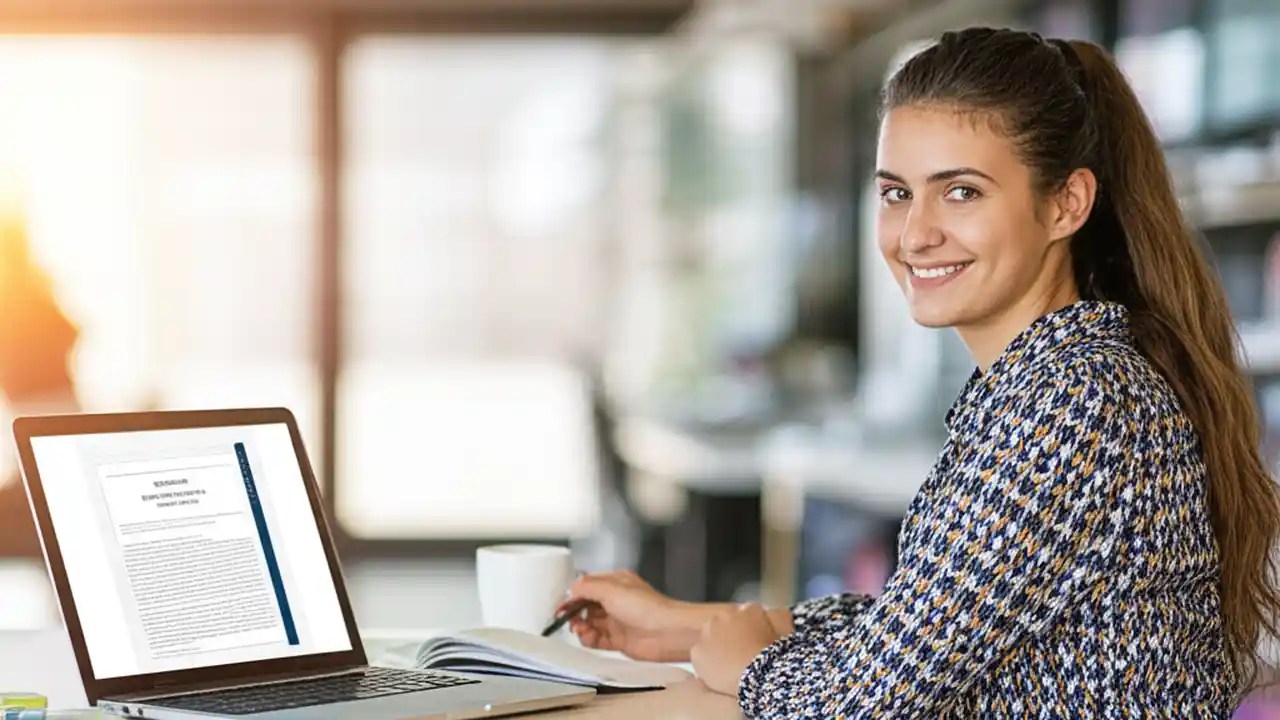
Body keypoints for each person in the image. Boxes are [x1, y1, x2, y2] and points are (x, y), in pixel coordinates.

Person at [560, 28, 1280, 717]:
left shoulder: (1077, 400)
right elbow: (927, 623)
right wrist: (692, 626)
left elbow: (854, 705)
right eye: (897, 193)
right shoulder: (1043, 381)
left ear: (1066, 204)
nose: (915, 234)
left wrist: (751, 665)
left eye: (961, 191)